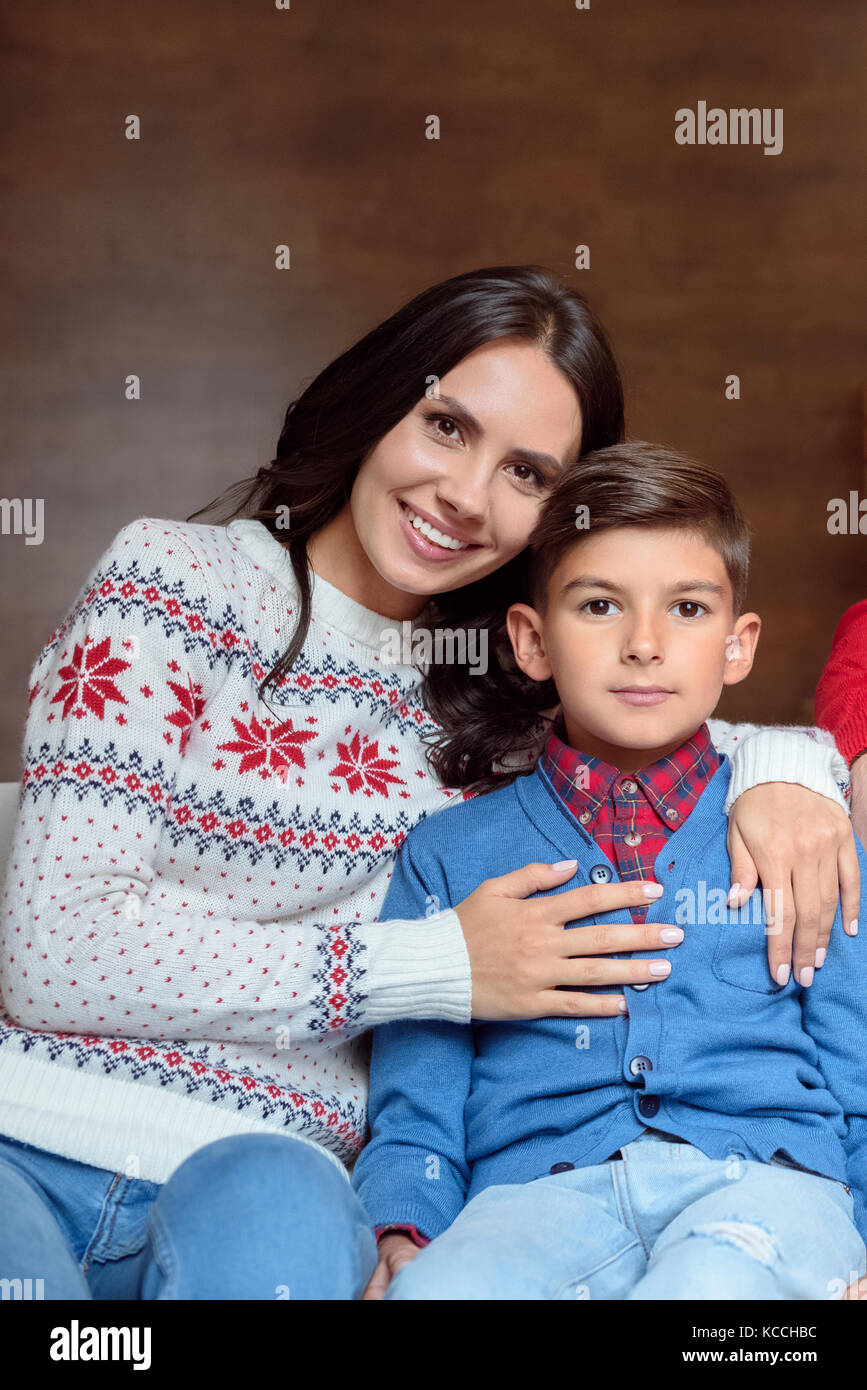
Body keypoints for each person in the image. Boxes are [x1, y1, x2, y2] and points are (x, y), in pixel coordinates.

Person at [0, 268, 856, 1300]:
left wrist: (794, 769)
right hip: (29, 1132)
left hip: (273, 1171)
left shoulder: (502, 704)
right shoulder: (176, 583)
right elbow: (52, 952)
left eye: (529, 473)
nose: (466, 495)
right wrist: (435, 962)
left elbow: (662, 707)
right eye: (447, 426)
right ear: (380, 399)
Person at [354, 441, 867, 1301]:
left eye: (687, 610)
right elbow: (417, 1104)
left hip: (768, 1191)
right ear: (531, 640)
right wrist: (405, 1231)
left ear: (738, 647)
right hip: (537, 1199)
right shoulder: (447, 854)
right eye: (598, 606)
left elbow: (858, 1069)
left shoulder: (800, 834)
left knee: (708, 1290)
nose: (643, 645)